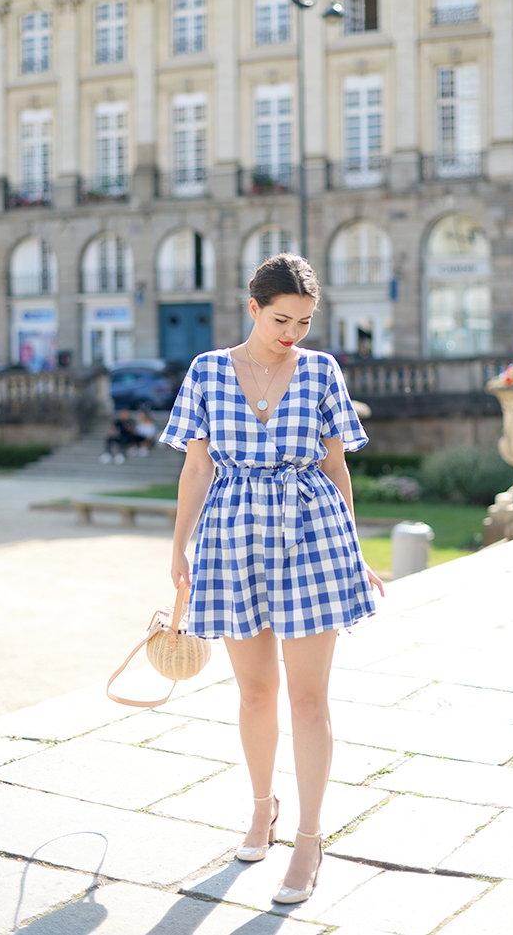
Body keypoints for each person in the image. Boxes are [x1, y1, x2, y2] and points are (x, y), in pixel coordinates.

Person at [159, 253, 384, 905]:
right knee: (256, 692)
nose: (293, 333)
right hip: (230, 538)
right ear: (252, 308)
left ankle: (310, 838)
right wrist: (179, 548)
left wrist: (355, 546)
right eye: (281, 318)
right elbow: (197, 468)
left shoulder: (321, 371)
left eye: (305, 321)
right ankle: (263, 807)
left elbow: (337, 465)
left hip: (311, 534)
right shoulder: (206, 370)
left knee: (309, 698)